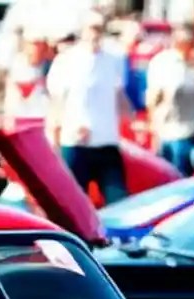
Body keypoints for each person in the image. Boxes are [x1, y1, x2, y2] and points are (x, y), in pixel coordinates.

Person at [45, 10, 130, 203]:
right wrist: (54, 140)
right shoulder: (66, 61)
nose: (95, 33)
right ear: (82, 31)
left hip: (106, 141)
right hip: (76, 143)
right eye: (91, 28)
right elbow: (56, 103)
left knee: (119, 200)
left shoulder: (114, 60)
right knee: (73, 205)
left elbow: (119, 96)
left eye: (100, 28)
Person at [146, 25, 194, 176]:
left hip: (193, 132)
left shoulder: (192, 66)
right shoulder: (165, 63)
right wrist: (154, 129)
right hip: (173, 133)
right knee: (176, 179)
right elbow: (153, 99)